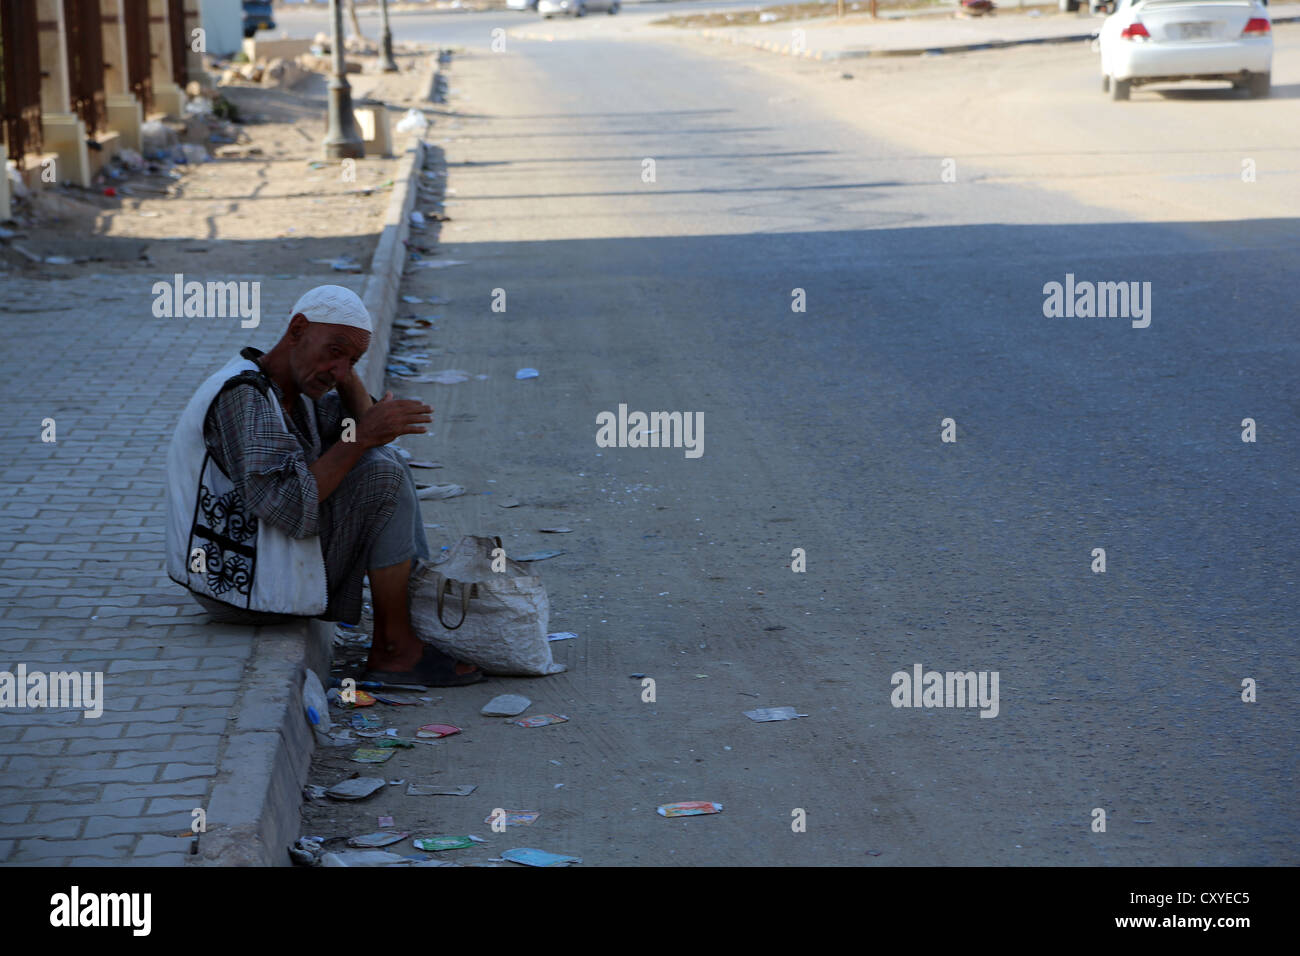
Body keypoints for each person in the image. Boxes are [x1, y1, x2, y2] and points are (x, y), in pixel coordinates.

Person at [165, 284, 481, 686]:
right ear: (297, 329)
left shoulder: (301, 388)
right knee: (381, 474)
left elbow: (368, 437)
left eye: (352, 360)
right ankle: (394, 647)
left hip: (265, 563)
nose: (338, 369)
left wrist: (348, 380)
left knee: (384, 463)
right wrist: (361, 434)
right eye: (334, 351)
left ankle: (403, 633)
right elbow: (289, 507)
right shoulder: (245, 397)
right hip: (237, 590)